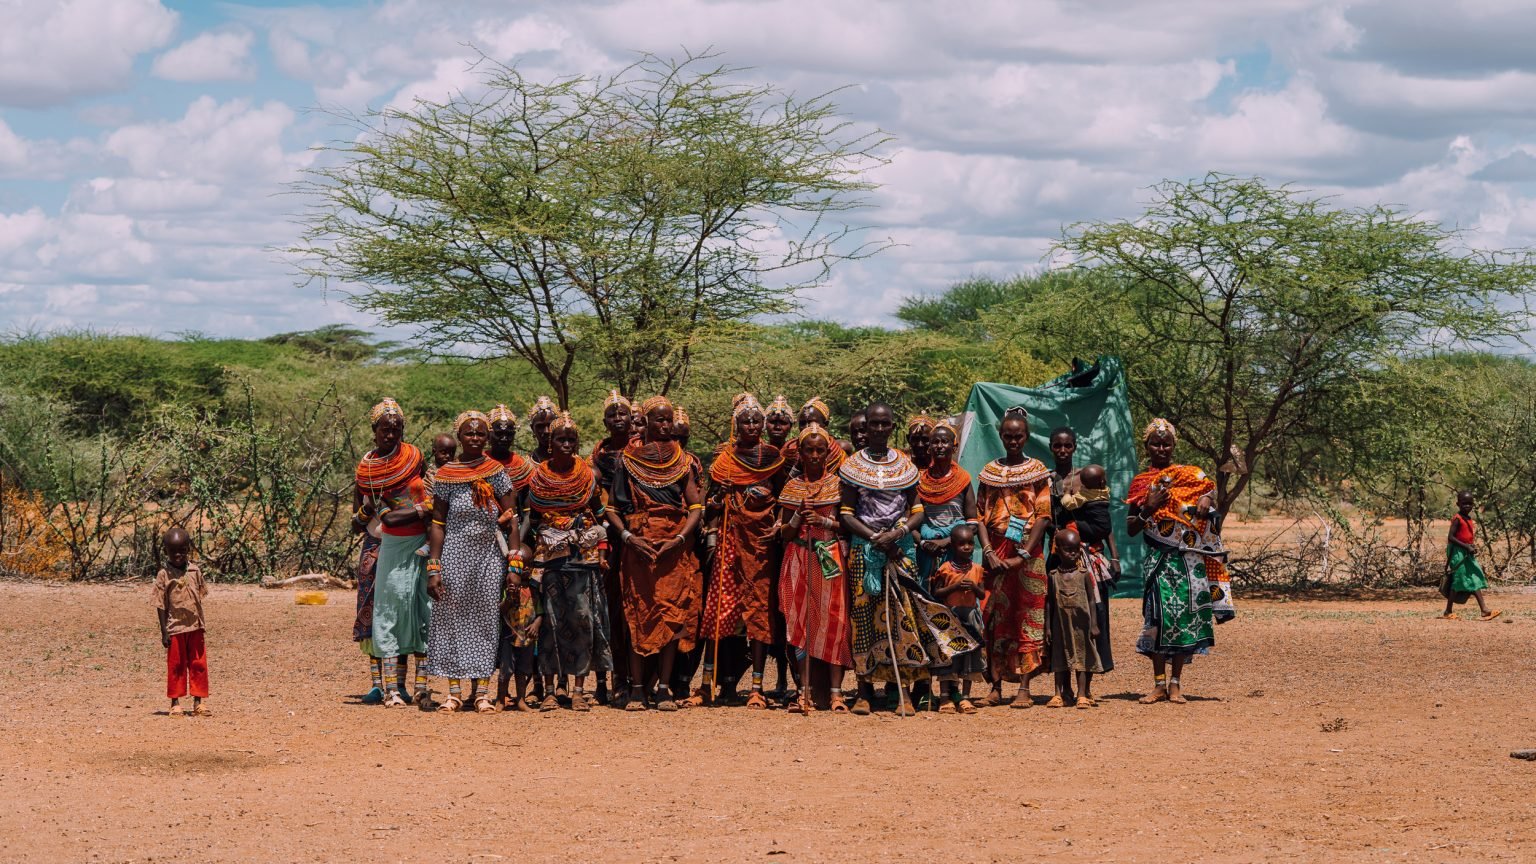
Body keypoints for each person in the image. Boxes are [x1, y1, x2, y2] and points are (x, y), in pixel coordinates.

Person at [840, 402, 977, 716]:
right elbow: (846, 513)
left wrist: (896, 533)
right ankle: (864, 690)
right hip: (865, 547)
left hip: (901, 547)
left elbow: (916, 510)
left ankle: (902, 689)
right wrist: (876, 537)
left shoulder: (904, 466)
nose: (877, 429)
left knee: (903, 617)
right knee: (863, 618)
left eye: (884, 423)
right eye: (873, 424)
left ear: (892, 427)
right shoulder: (851, 466)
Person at [607, 396, 704, 711]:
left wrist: (679, 538)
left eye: (668, 420)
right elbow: (611, 508)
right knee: (639, 614)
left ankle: (663, 689)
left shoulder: (684, 461)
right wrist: (628, 538)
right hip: (639, 544)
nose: (665, 425)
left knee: (672, 615)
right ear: (645, 423)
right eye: (659, 420)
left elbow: (695, 506)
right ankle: (637, 690)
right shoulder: (627, 460)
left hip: (672, 548)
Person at [425, 411, 522, 713]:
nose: (476, 438)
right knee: (451, 621)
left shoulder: (495, 471)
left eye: (481, 434)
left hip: (488, 558)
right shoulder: (446, 475)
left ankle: (482, 693)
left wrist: (515, 566)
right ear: (459, 436)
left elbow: (512, 520)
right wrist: (434, 568)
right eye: (470, 434)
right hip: (453, 554)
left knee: (485, 622)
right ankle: (453, 693)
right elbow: (438, 523)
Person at [1126, 418, 1227, 705]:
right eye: (1155, 443)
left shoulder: (1191, 475)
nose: (1161, 447)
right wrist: (1149, 507)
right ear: (1146, 446)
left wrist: (1208, 498)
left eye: (1166, 443)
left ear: (1173, 446)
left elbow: (1211, 491)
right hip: (1157, 558)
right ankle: (1158, 684)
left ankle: (1175, 684)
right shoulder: (1142, 483)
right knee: (1156, 617)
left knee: (1185, 618)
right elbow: (1132, 528)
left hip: (1187, 558)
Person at [697, 394, 786, 709]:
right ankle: (707, 684)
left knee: (760, 612)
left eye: (755, 420)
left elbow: (785, 497)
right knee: (718, 610)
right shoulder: (724, 462)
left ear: (762, 424)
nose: (750, 425)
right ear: (736, 424)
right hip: (730, 543)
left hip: (761, 546)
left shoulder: (772, 457)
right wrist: (717, 500)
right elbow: (710, 505)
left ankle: (757, 687)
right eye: (745, 420)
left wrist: (777, 523)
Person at [527, 411, 613, 710]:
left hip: (582, 559)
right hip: (548, 559)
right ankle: (550, 690)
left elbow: (601, 518)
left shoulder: (589, 476)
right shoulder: (537, 477)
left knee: (582, 621)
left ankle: (577, 689)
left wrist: (601, 549)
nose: (566, 444)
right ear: (549, 442)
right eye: (561, 439)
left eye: (571, 440)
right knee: (549, 623)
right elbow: (532, 519)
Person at [353, 398, 432, 708]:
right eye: (385, 430)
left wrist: (409, 513)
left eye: (396, 429)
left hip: (416, 542)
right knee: (378, 612)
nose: (391, 435)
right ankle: (380, 686)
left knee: (415, 609)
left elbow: (427, 496)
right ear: (374, 431)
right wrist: (368, 510)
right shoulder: (366, 470)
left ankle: (405, 685)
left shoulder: (414, 459)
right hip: (377, 545)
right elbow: (357, 521)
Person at [976, 406, 1052, 709]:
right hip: (995, 553)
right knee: (992, 618)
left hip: (1027, 555)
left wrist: (1022, 556)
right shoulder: (989, 472)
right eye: (1008, 436)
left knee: (1026, 618)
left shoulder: (1037, 472)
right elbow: (979, 516)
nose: (1013, 441)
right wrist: (989, 552)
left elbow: (1044, 516)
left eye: (1018, 436)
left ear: (1027, 436)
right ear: (1000, 435)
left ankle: (1024, 686)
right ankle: (994, 685)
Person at [777, 423, 853, 714]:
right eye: (808, 450)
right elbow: (784, 532)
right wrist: (797, 516)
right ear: (800, 453)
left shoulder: (837, 484)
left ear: (828, 453)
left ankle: (836, 693)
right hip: (798, 556)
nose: (814, 455)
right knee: (799, 623)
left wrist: (823, 522)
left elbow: (846, 524)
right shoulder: (792, 486)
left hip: (829, 556)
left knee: (835, 621)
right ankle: (804, 691)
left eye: (820, 450)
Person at [1046, 427, 1117, 702]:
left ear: (1074, 447)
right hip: (1057, 553)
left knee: (1087, 616)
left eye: (1067, 446)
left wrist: (1115, 556)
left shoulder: (1087, 477)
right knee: (1059, 618)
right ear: (1051, 447)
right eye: (1057, 446)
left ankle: (1085, 689)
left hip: (1086, 554)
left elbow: (1104, 521)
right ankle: (1062, 689)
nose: (1062, 450)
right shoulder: (1048, 479)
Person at [592, 391, 635, 705]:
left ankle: (642, 680)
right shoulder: (600, 454)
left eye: (623, 414)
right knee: (611, 609)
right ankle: (615, 678)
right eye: (612, 415)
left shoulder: (642, 449)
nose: (618, 419)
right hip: (610, 531)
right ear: (605, 421)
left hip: (640, 530)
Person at [930, 523, 986, 715]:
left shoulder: (977, 569)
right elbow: (936, 592)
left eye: (970, 543)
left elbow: (981, 594)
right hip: (950, 618)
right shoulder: (945, 569)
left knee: (970, 656)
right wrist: (954, 587)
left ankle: (966, 697)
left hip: (970, 616)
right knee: (949, 655)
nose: (967, 547)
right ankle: (945, 697)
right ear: (953, 545)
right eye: (962, 544)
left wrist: (973, 587)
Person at [914, 418, 976, 590]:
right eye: (935, 442)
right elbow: (910, 522)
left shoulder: (963, 480)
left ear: (954, 447)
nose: (939, 446)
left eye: (944, 442)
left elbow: (972, 523)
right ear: (929, 448)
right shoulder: (920, 482)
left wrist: (947, 542)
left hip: (956, 552)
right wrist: (924, 543)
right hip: (927, 548)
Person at [155, 526, 209, 717]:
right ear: (166, 551)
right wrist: (164, 631)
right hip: (175, 627)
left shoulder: (195, 571)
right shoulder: (163, 575)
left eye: (182, 550)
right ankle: (175, 702)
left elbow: (200, 595)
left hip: (195, 626)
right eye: (173, 551)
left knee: (198, 664)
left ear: (188, 549)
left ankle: (198, 702)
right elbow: (160, 604)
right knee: (176, 665)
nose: (178, 555)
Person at [1047, 529, 1102, 709]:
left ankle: (1081, 694)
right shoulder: (1053, 576)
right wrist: (1047, 627)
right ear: (1057, 550)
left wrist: (1093, 624)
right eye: (1066, 549)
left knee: (1082, 657)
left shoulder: (1084, 574)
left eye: (1075, 549)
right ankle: (1058, 693)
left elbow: (1092, 599)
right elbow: (1049, 604)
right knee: (1059, 657)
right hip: (1060, 624)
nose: (1072, 553)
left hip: (1081, 624)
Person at [1441, 491, 1499, 621]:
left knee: (1473, 577)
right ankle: (1448, 611)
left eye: (1470, 504)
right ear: (1458, 504)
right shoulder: (1458, 518)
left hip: (1466, 552)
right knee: (1459, 579)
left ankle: (1484, 610)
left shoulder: (1469, 519)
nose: (1467, 506)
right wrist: (1466, 546)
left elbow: (1466, 537)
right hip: (1457, 552)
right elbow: (1451, 537)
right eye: (1464, 503)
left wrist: (1471, 546)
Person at [497, 579, 542, 712]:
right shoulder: (507, 588)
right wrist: (509, 598)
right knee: (505, 670)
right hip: (509, 635)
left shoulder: (534, 589)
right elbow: (500, 610)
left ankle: (521, 700)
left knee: (522, 670)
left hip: (527, 637)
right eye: (522, 567)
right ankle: (500, 700)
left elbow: (540, 612)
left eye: (528, 565)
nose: (525, 569)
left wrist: (536, 625)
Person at [527, 395, 558, 463]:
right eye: (540, 426)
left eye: (550, 425)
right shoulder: (525, 464)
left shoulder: (574, 464)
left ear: (558, 426)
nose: (546, 431)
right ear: (532, 428)